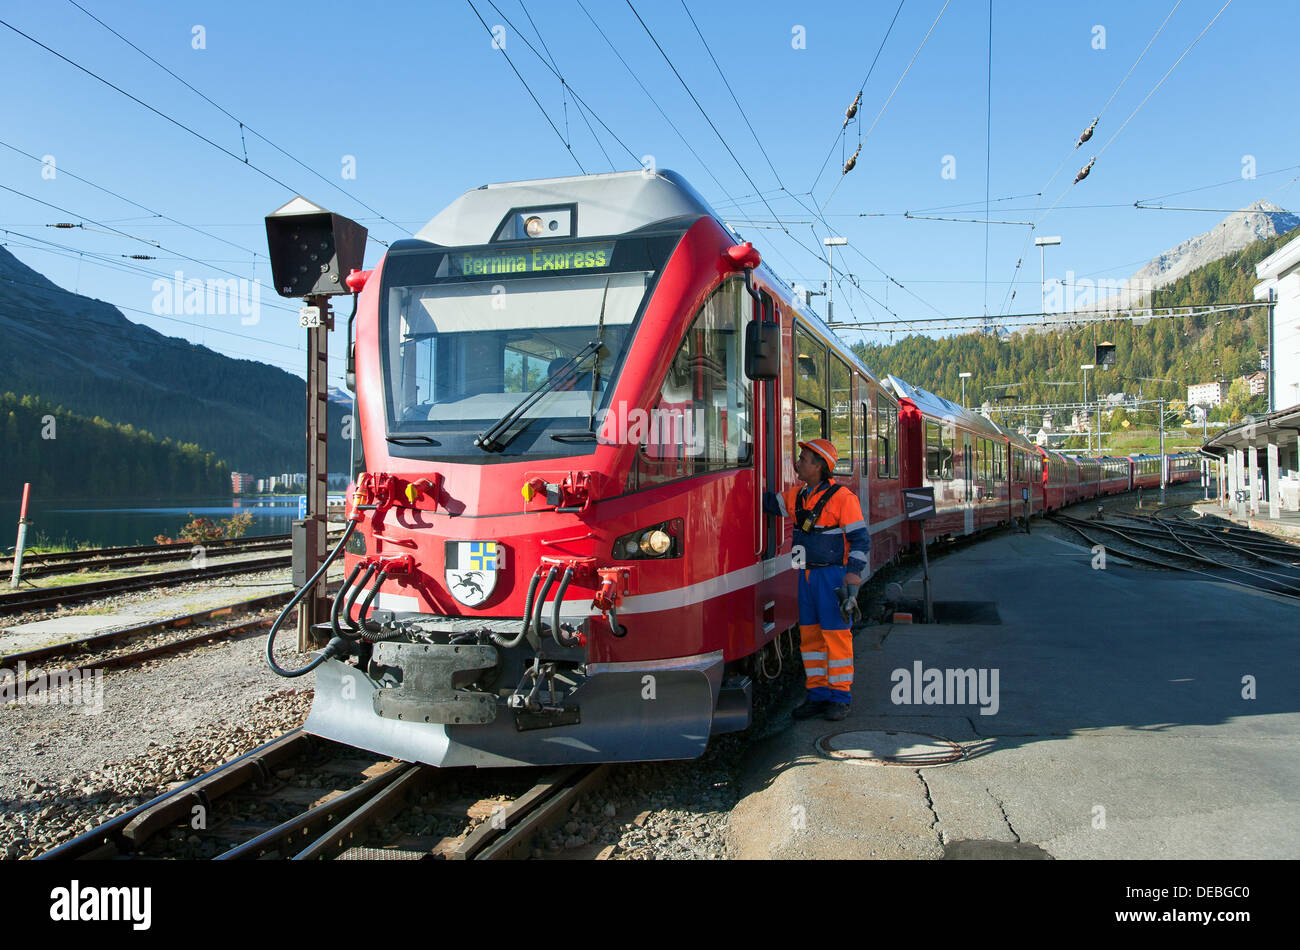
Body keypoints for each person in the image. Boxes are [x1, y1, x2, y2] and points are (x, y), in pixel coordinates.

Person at [765, 438, 870, 721]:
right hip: (807, 577)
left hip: (832, 577)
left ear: (819, 466)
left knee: (836, 637)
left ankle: (840, 697)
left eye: (803, 458)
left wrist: (853, 575)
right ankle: (818, 695)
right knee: (810, 639)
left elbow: (860, 540)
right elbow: (769, 504)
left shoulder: (844, 498)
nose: (797, 463)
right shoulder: (797, 496)